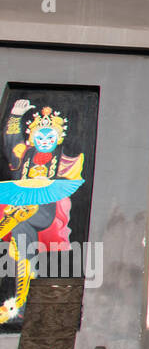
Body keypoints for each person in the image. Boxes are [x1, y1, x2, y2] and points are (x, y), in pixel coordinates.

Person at [0, 100, 84, 323]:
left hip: (43, 210)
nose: (45, 142)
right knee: (21, 240)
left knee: (24, 214)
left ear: (57, 138)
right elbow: (10, 144)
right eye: (40, 138)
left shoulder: (61, 158)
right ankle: (21, 300)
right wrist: (16, 117)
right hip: (19, 212)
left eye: (49, 138)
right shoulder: (24, 155)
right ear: (32, 138)